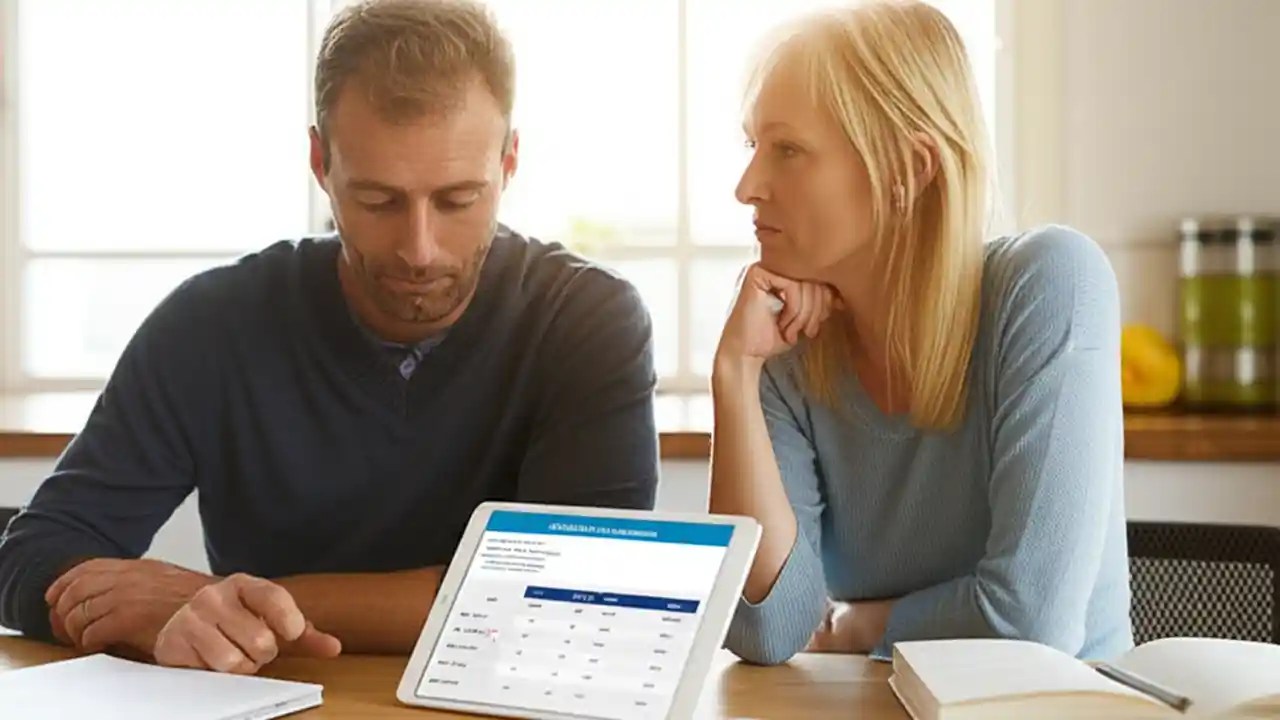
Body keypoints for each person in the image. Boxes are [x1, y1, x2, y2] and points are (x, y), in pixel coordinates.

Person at [0, 0, 658, 675]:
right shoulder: (214, 324)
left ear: (510, 161)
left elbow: (582, 591)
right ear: (321, 161)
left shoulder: (587, 320)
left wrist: (232, 603)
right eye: (378, 201)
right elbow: (31, 556)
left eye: (459, 200)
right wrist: (151, 613)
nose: (420, 249)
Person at [710, 1, 1132, 666]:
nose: (747, 186)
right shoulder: (786, 348)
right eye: (752, 146)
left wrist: (861, 625)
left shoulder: (1050, 284)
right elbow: (768, 631)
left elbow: (1030, 626)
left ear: (909, 169)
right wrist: (735, 375)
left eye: (787, 149)